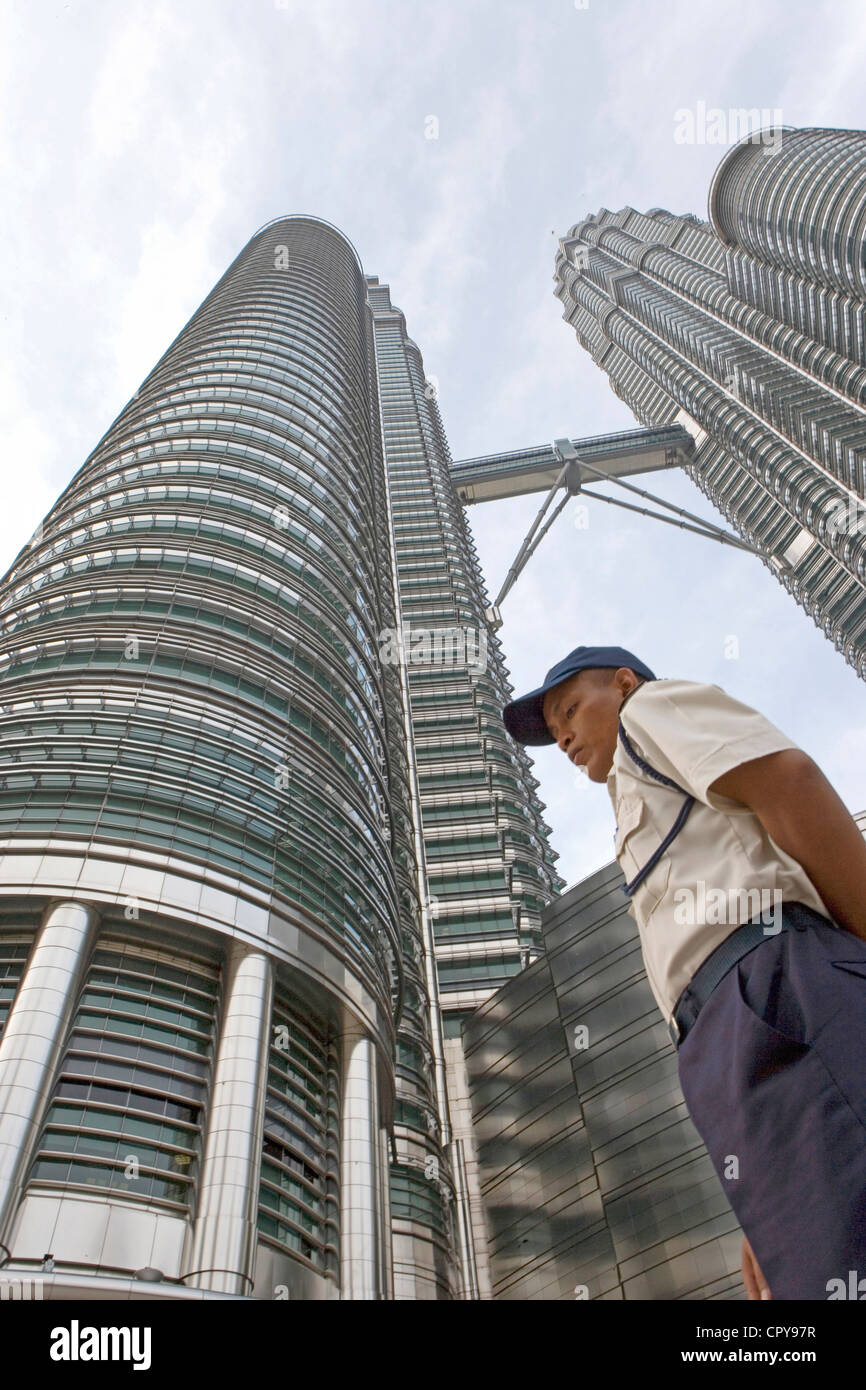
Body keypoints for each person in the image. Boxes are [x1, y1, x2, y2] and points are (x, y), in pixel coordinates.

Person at [502, 645, 866, 1302]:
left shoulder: (651, 712)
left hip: (773, 979)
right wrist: (767, 1198)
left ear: (623, 682)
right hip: (725, 1038)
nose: (561, 736)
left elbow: (790, 782)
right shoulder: (633, 796)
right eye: (554, 727)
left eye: (570, 710)